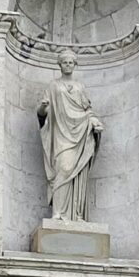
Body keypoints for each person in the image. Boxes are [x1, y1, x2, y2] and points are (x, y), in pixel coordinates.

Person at [37, 48, 102, 223]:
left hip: (80, 132)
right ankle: (58, 213)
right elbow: (42, 114)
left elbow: (88, 110)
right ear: (59, 65)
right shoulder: (53, 86)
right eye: (64, 62)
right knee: (64, 168)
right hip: (60, 135)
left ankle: (76, 215)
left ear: (75, 65)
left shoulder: (80, 86)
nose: (68, 65)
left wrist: (94, 121)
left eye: (71, 62)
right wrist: (43, 107)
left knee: (78, 173)